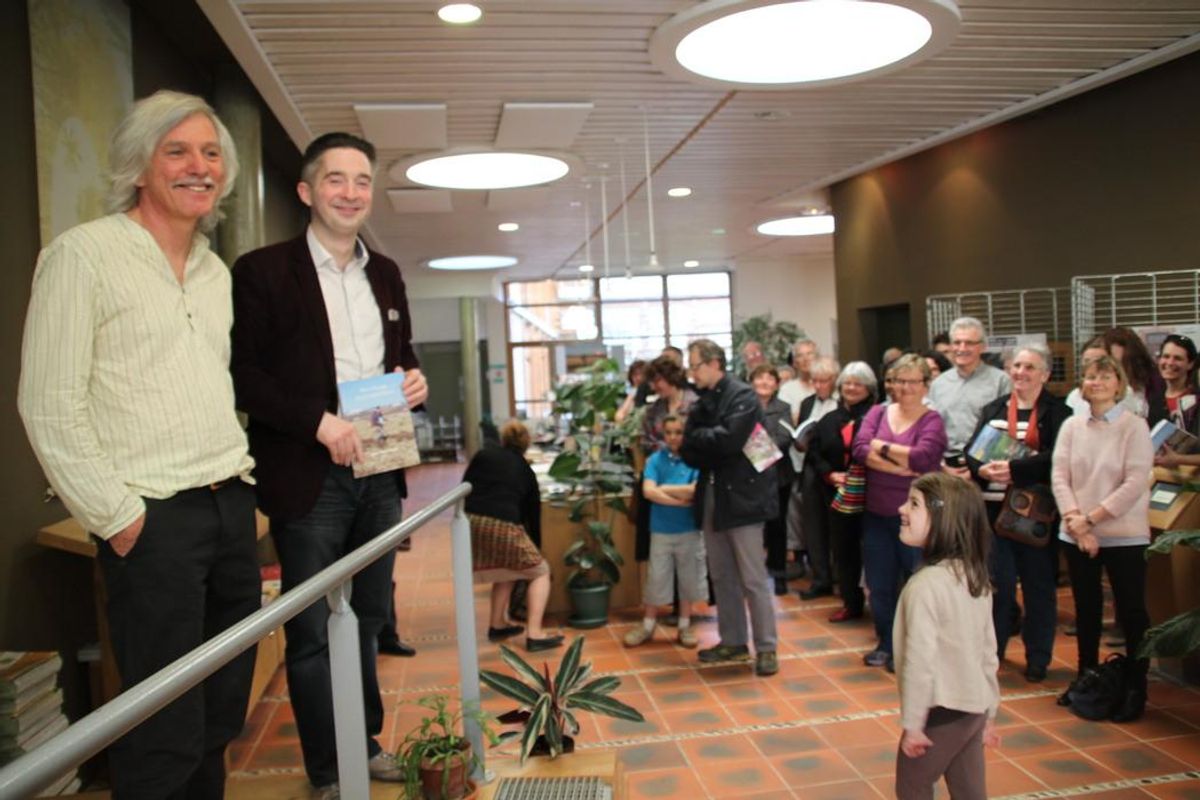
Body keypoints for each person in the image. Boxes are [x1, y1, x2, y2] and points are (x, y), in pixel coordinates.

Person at [18, 90, 258, 799]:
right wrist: (118, 518)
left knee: (222, 714)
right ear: (139, 166)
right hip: (153, 521)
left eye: (210, 153)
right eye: (176, 151)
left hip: (230, 506)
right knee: (163, 729)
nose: (198, 167)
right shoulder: (83, 256)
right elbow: (48, 403)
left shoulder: (215, 272)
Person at [230, 131, 428, 798]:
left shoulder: (386, 273)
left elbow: (401, 356)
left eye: (362, 180)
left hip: (380, 465)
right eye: (336, 179)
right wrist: (319, 423)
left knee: (369, 618)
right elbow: (246, 377)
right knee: (312, 631)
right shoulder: (262, 272)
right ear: (307, 191)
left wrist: (415, 380)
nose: (351, 192)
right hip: (308, 476)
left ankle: (363, 744)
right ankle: (327, 770)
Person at [1051, 354, 1153, 723]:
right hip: (1076, 534)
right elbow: (1059, 477)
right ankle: (1086, 678)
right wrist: (1076, 523)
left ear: (1119, 385)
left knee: (1132, 612)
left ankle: (1136, 687)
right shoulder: (1072, 426)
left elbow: (1135, 482)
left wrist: (1090, 520)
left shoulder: (1134, 427)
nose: (1097, 382)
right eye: (1091, 376)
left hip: (1124, 535)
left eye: (1106, 377)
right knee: (1087, 610)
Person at [965, 345, 1071, 682]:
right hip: (994, 513)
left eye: (1029, 367)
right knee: (997, 588)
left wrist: (1015, 469)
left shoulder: (1059, 412)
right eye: (1016, 366)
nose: (1021, 372)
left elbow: (1059, 457)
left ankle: (1038, 658)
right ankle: (992, 654)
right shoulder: (994, 408)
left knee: (1039, 588)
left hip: (1036, 517)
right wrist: (981, 469)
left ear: (1045, 374)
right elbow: (972, 451)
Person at [893, 473, 1001, 800]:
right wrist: (990, 712)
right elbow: (988, 652)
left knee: (912, 786)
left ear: (943, 519)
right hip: (973, 707)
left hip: (941, 710)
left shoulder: (924, 586)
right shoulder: (974, 576)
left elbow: (919, 661)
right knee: (969, 791)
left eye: (914, 504)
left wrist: (913, 723)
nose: (901, 509)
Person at [681, 339, 780, 676]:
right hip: (712, 494)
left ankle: (766, 647)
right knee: (722, 575)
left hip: (744, 497)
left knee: (753, 578)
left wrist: (705, 438)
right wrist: (709, 439)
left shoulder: (743, 395)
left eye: (695, 365)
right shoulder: (703, 400)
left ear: (714, 364)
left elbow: (729, 440)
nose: (692, 373)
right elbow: (688, 448)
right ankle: (733, 640)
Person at [853, 354, 948, 669]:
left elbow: (923, 458)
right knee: (879, 585)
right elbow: (860, 448)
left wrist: (881, 447)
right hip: (876, 514)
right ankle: (887, 643)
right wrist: (899, 465)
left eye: (913, 381)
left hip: (917, 519)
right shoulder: (878, 412)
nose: (905, 388)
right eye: (899, 381)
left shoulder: (932, 420)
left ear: (925, 385)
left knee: (916, 583)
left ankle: (915, 648)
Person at [462, 421, 562, 651]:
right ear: (526, 444)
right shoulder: (525, 470)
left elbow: (466, 484)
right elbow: (532, 515)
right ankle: (534, 634)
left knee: (506, 568)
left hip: (471, 520)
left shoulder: (484, 455)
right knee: (541, 572)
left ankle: (497, 624)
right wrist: (537, 548)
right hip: (502, 523)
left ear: (503, 440)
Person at [625, 415, 704, 648]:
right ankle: (648, 625)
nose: (673, 437)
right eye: (668, 433)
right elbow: (648, 492)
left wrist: (665, 488)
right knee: (656, 578)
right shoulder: (654, 460)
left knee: (688, 579)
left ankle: (684, 625)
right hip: (660, 529)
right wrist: (679, 501)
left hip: (689, 529)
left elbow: (695, 491)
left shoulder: (695, 461)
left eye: (678, 432)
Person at [808, 362, 878, 622]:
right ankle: (851, 602)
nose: (851, 388)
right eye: (847, 383)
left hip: (872, 493)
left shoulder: (878, 416)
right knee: (843, 550)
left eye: (858, 384)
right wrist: (830, 474)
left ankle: (880, 602)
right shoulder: (828, 420)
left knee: (873, 549)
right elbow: (815, 453)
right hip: (837, 494)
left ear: (869, 388)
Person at [928, 317, 1012, 477]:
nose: (962, 348)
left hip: (986, 465)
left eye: (969, 343)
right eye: (957, 342)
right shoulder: (938, 384)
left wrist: (976, 470)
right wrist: (941, 466)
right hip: (946, 468)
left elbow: (1005, 429)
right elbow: (932, 428)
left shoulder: (1001, 381)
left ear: (982, 347)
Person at [792, 357, 841, 599]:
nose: (819, 385)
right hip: (812, 468)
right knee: (813, 527)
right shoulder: (807, 403)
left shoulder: (841, 402)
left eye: (824, 381)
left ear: (834, 380)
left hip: (837, 469)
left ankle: (841, 577)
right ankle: (820, 578)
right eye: (815, 381)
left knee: (838, 527)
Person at [748, 365, 796, 596]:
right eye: (760, 378)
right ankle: (753, 575)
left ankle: (778, 573)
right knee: (752, 528)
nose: (765, 382)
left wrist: (760, 452)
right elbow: (740, 434)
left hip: (779, 476)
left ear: (777, 384)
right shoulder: (745, 406)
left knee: (777, 527)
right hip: (749, 476)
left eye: (770, 378)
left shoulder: (783, 408)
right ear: (751, 382)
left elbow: (784, 438)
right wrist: (764, 450)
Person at [1101, 326, 1167, 424]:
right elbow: (1104, 423)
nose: (1119, 369)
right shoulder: (1104, 388)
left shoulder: (1156, 382)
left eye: (1124, 363)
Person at [1156, 333, 1198, 432]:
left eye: (1177, 358)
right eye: (1166, 356)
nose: (1170, 363)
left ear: (1190, 364)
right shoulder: (1152, 402)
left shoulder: (1197, 400)